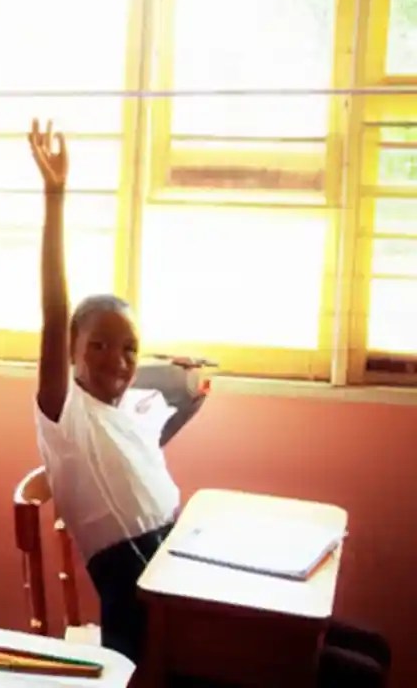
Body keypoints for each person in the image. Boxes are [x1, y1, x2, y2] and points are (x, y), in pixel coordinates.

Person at [28, 119, 390, 686]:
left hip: (184, 579)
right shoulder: (65, 416)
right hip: (152, 620)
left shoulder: (123, 414)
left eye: (128, 350)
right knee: (354, 674)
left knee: (369, 647)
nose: (116, 362)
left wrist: (176, 383)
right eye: (96, 346)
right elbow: (54, 313)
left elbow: (142, 426)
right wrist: (56, 196)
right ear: (69, 351)